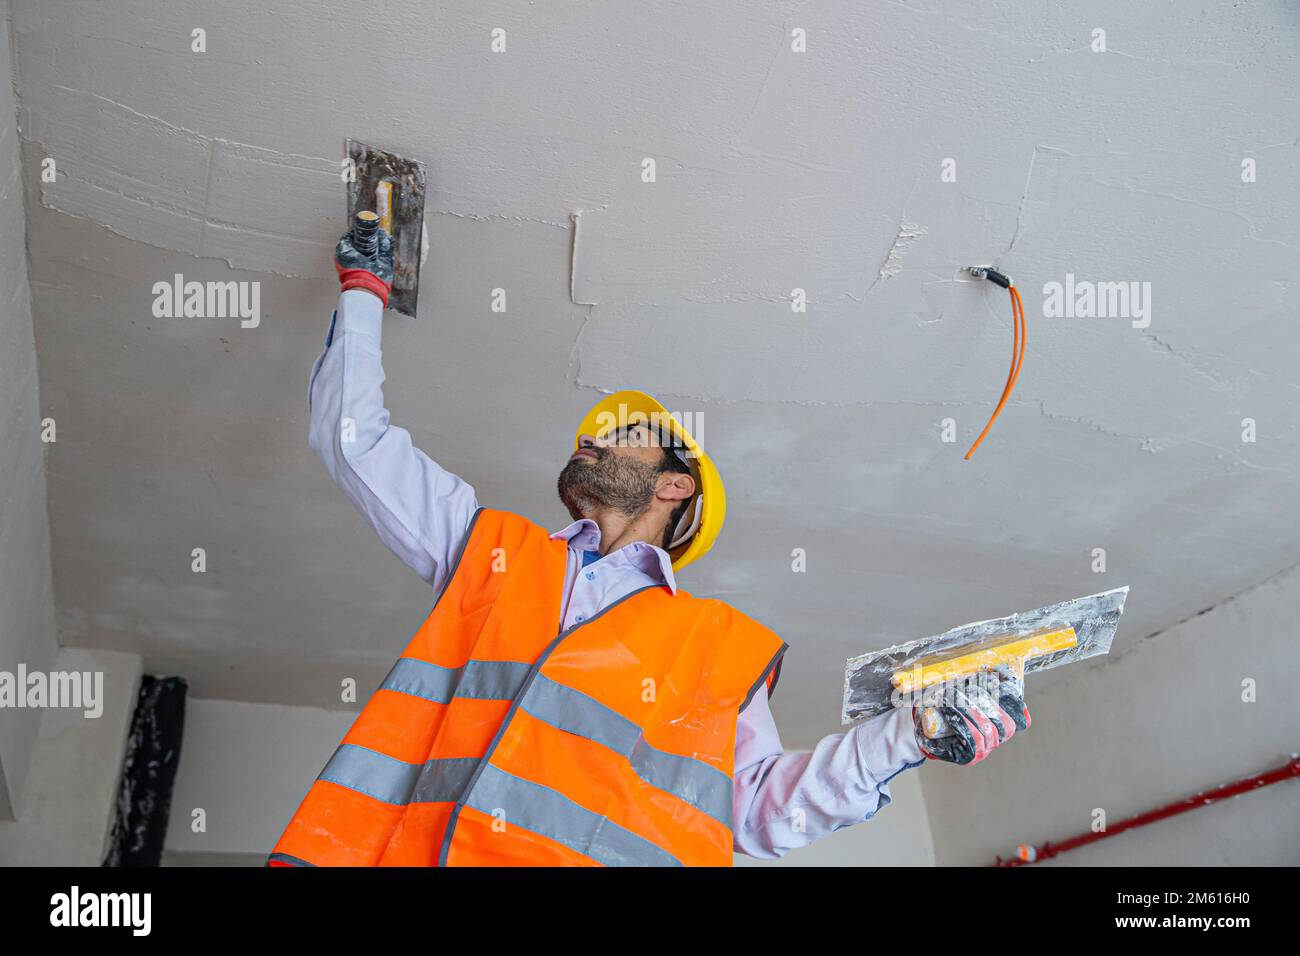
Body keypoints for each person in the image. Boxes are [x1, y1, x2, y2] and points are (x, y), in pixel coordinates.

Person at [267, 225, 1029, 867]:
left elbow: (759, 811)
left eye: (624, 436)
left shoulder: (716, 647)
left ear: (676, 487)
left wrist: (909, 734)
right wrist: (363, 292)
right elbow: (354, 443)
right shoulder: (492, 552)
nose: (592, 441)